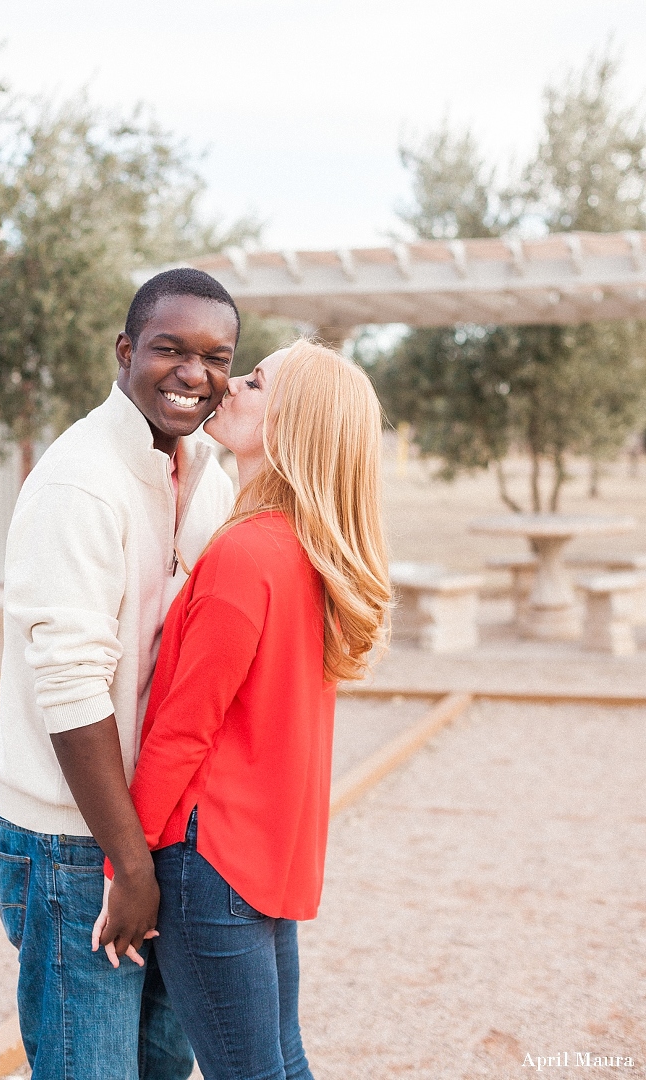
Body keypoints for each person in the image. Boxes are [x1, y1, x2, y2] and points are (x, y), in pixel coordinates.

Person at [94, 339, 391, 1080]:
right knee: (280, 1061)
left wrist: (121, 867)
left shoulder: (246, 554)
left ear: (295, 424)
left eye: (257, 382)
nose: (231, 385)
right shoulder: (307, 551)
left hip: (209, 859)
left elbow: (181, 730)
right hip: (265, 856)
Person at [0, 268, 240, 1080]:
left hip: (156, 833)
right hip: (74, 844)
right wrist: (126, 865)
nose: (193, 373)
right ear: (126, 351)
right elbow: (69, 686)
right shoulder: (79, 483)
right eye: (170, 348)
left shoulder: (206, 474)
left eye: (216, 356)